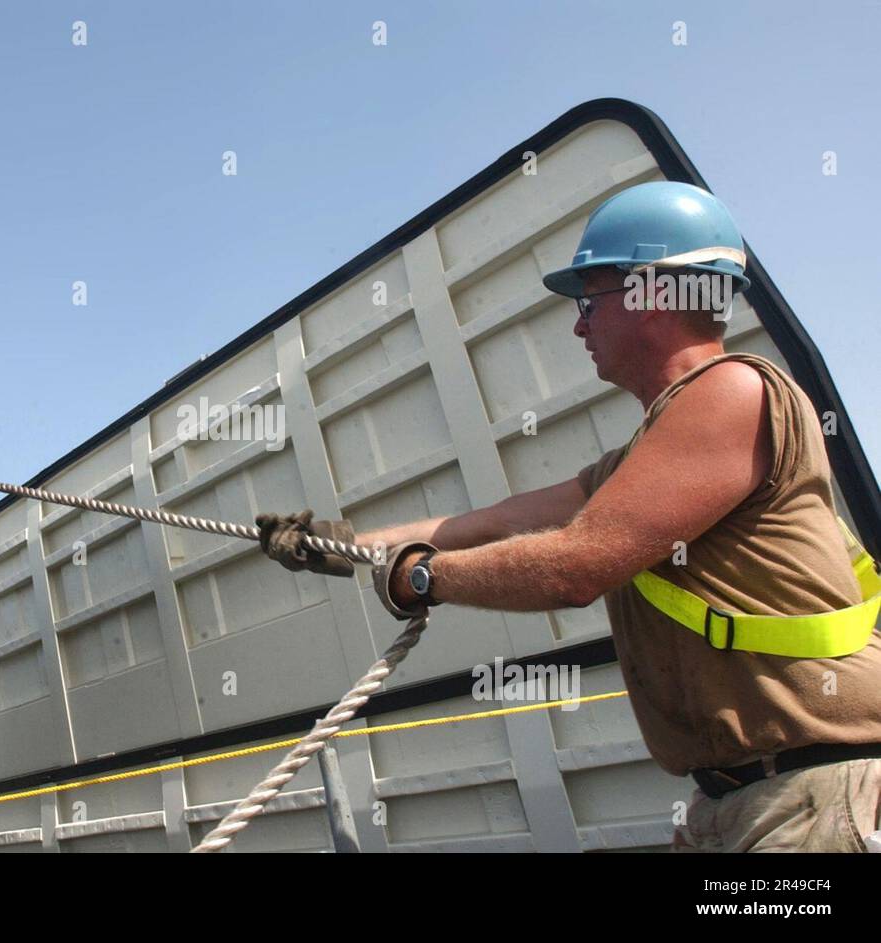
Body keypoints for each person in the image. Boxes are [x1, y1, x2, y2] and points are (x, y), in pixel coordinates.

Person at [256, 181, 881, 853]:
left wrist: (422, 579)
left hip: (809, 794)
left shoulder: (731, 393)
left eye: (590, 300)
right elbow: (489, 523)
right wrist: (345, 547)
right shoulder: (643, 458)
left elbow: (573, 566)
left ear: (650, 292)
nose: (579, 325)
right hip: (742, 797)